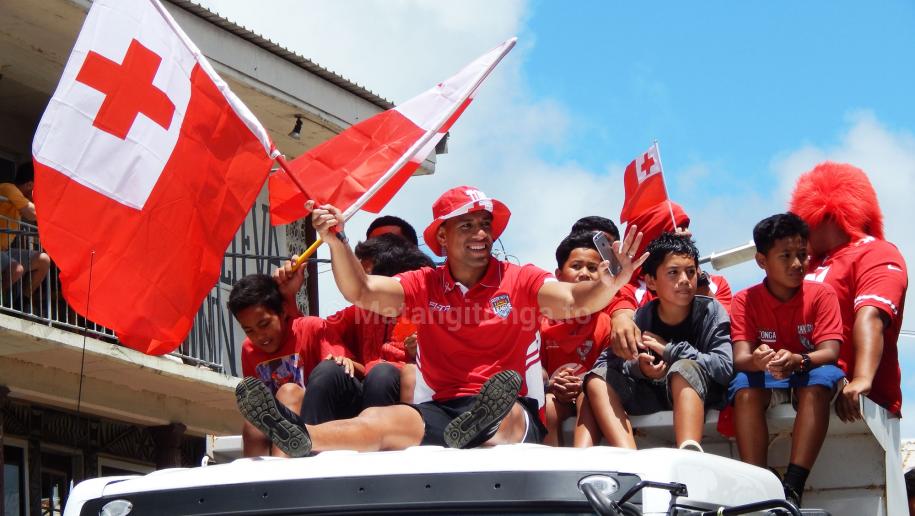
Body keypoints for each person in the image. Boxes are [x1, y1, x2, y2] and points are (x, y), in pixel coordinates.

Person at [236, 185, 646, 457]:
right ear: (443, 239)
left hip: (511, 409)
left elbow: (576, 299)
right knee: (379, 420)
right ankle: (301, 437)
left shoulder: (521, 279)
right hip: (444, 411)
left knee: (501, 418)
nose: (481, 233)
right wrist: (337, 240)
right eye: (467, 225)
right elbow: (360, 290)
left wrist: (616, 281)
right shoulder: (423, 284)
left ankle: (478, 424)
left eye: (485, 224)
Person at [729, 213, 844, 506]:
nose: (797, 263)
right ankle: (757, 482)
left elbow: (830, 352)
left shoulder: (822, 294)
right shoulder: (745, 300)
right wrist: (758, 361)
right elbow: (740, 357)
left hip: (806, 371)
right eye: (786, 256)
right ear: (761, 261)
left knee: (819, 381)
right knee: (744, 387)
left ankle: (793, 486)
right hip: (767, 378)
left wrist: (797, 360)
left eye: (803, 254)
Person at [584, 232, 732, 451]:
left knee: (683, 368)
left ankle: (689, 453)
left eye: (691, 272)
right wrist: (639, 369)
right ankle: (629, 458)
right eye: (673, 272)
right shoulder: (640, 318)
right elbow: (604, 364)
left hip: (702, 396)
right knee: (597, 378)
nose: (684, 280)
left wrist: (671, 350)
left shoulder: (712, 311)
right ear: (651, 281)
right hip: (650, 396)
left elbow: (725, 367)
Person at [789, 162, 908, 422]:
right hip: (799, 390)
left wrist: (861, 379)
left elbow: (871, 316)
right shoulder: (808, 264)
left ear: (821, 213)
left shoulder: (876, 252)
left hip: (861, 405)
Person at [229, 273, 356, 457]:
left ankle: (283, 471)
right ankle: (255, 481)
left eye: (264, 324)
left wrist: (345, 362)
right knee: (252, 426)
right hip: (274, 425)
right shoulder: (248, 350)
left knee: (288, 393)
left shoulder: (311, 328)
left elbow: (352, 369)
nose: (259, 336)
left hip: (317, 419)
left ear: (282, 312)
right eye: (249, 330)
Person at [608, 201, 732, 363]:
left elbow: (725, 327)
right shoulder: (629, 289)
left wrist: (697, 275)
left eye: (685, 227)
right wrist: (621, 318)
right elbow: (623, 310)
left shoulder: (716, 284)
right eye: (674, 229)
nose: (684, 233)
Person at [320, 234, 434, 408]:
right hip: (366, 384)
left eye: (365, 269)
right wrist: (343, 358)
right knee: (329, 371)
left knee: (382, 374)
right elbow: (323, 329)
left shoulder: (429, 300)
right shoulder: (362, 310)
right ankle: (310, 433)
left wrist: (424, 348)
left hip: (410, 391)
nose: (358, 276)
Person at [540, 231, 612, 446]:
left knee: (588, 398)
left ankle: (583, 461)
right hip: (555, 395)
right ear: (559, 275)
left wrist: (583, 385)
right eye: (576, 266)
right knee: (547, 406)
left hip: (590, 396)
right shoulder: (540, 322)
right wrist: (552, 384)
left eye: (592, 268)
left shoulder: (607, 322)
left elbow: (611, 369)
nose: (584, 274)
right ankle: (548, 471)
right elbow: (536, 368)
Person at [0, 162, 51, 307]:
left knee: (44, 260)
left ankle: (21, 302)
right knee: (17, 269)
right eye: (38, 187)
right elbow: (32, 213)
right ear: (29, 185)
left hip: (5, 251)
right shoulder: (9, 188)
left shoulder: (20, 199)